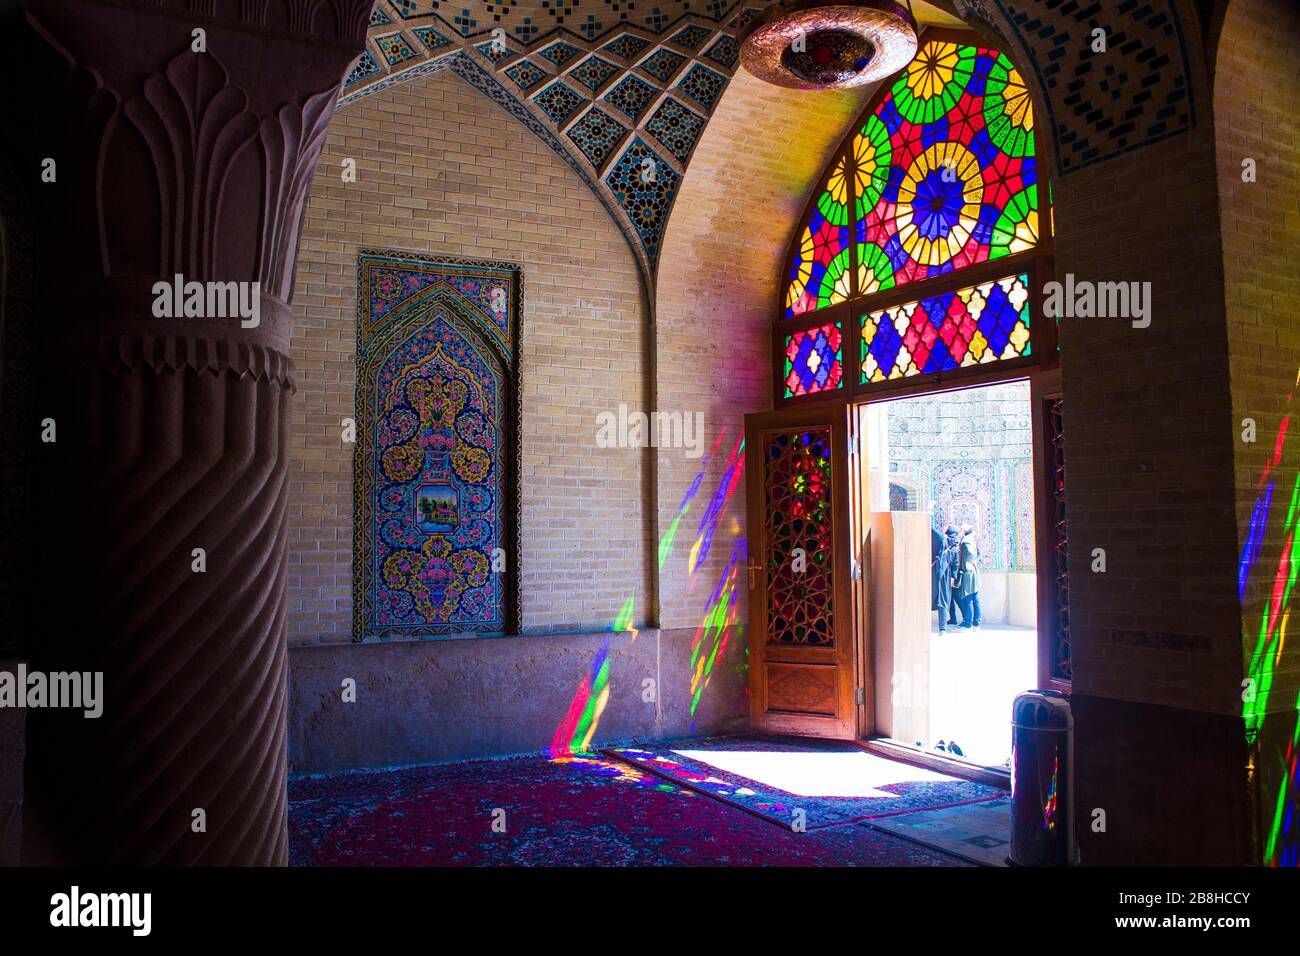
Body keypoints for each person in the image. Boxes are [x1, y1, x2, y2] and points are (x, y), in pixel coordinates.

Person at [956, 525, 982, 629]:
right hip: (974, 570)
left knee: (968, 598)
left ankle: (968, 623)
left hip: (968, 572)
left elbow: (968, 555)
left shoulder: (966, 542)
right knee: (975, 598)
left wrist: (964, 567)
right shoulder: (972, 540)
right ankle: (976, 622)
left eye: (961, 530)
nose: (960, 532)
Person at [936, 526, 961, 632]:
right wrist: (953, 577)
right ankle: (943, 628)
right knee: (944, 599)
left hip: (935, 572)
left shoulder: (942, 541)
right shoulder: (955, 547)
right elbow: (955, 564)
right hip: (946, 576)